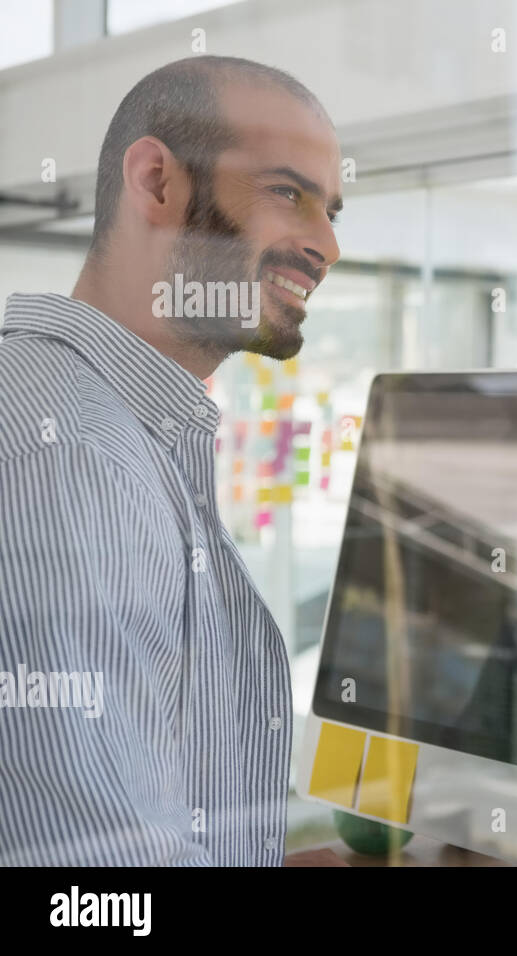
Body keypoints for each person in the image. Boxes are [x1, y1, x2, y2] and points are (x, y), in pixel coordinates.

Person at [0, 56, 342, 865]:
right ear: (157, 182)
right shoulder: (68, 456)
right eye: (286, 193)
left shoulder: (115, 425)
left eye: (331, 209)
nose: (326, 244)